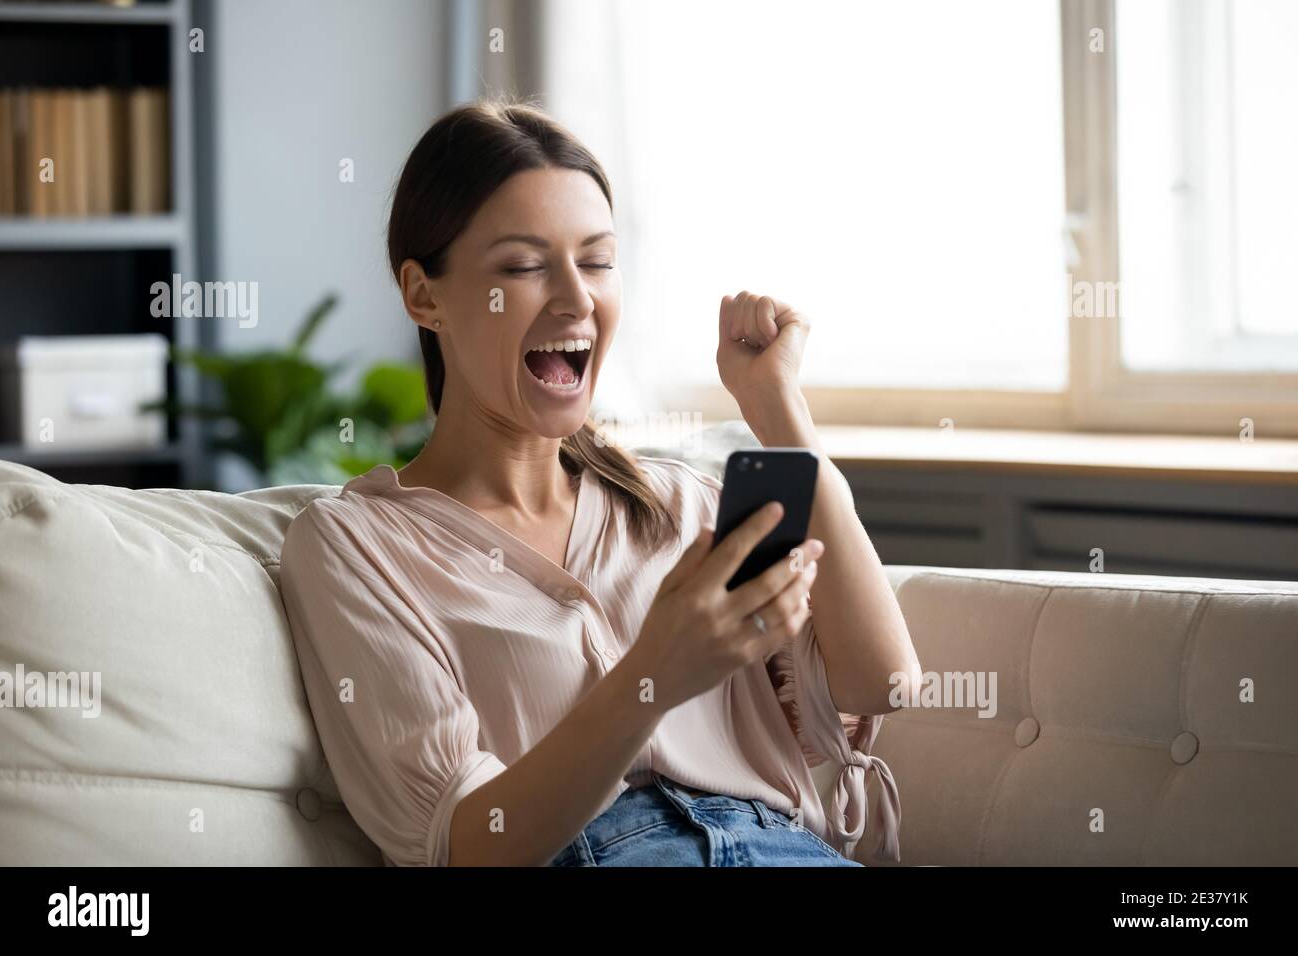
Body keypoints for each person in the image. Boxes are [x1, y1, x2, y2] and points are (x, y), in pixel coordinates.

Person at [279, 97, 921, 867]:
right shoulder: (355, 547)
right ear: (424, 295)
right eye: (522, 266)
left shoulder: (681, 505)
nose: (577, 299)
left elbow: (884, 681)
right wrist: (658, 669)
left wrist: (780, 414)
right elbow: (468, 847)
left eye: (596, 261)